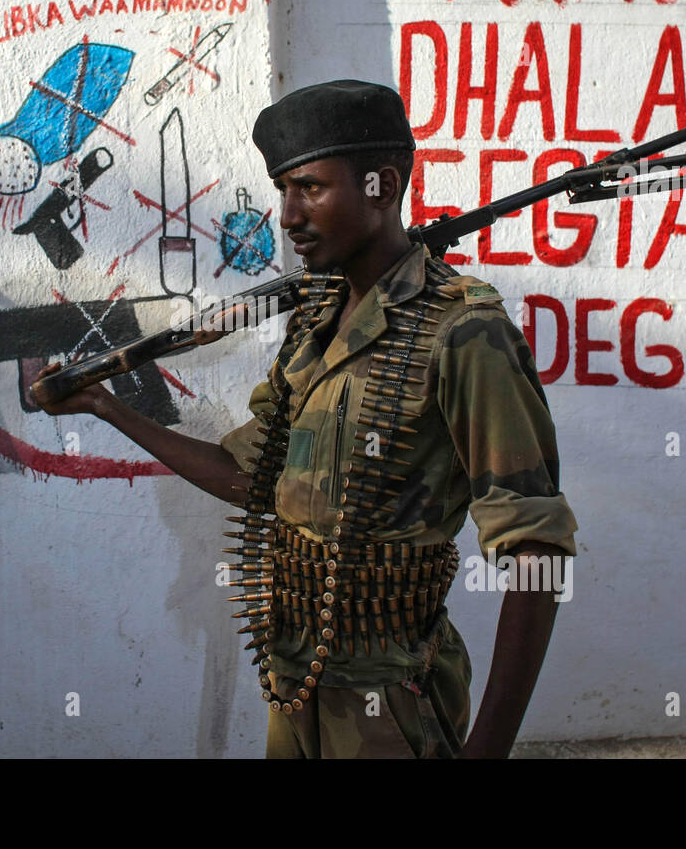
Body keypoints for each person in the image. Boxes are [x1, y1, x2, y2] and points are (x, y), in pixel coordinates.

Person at [40, 80, 580, 759]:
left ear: (382, 186)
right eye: (283, 190)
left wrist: (491, 748)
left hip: (394, 701)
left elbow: (536, 550)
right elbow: (252, 476)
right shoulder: (317, 320)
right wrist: (106, 407)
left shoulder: (464, 332)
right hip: (297, 687)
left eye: (310, 189)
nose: (289, 214)